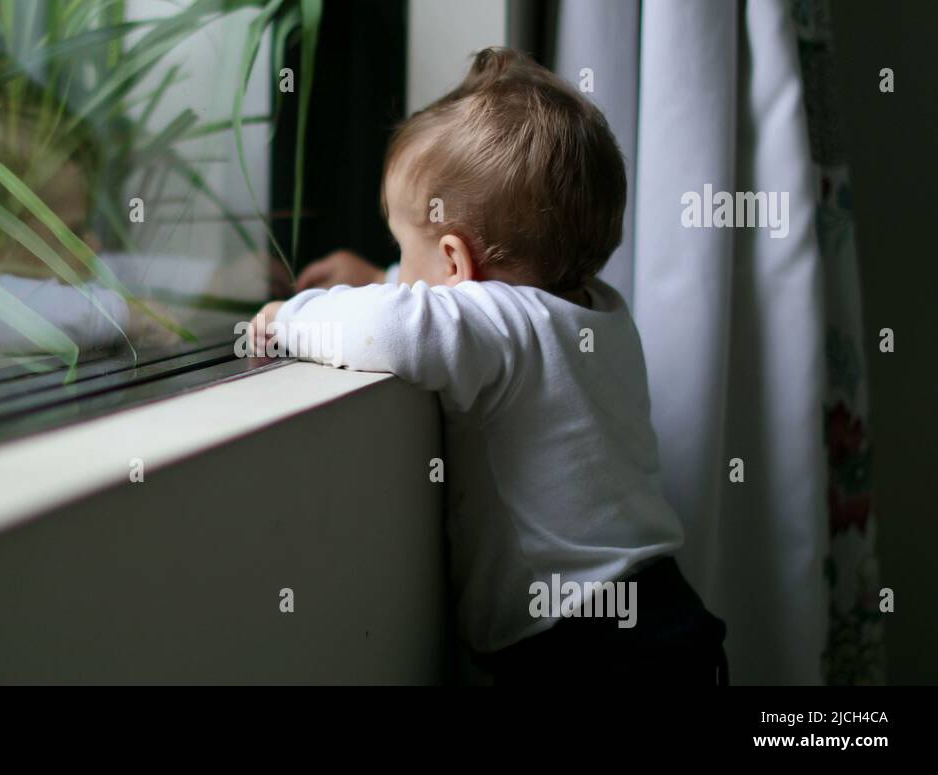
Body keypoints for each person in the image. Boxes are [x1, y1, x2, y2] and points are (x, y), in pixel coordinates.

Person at [252, 48, 728, 685]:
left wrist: (289, 317)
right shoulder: (599, 313)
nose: (401, 270)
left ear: (453, 262)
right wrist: (386, 276)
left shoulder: (496, 326)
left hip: (581, 651)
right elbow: (459, 304)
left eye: (402, 248)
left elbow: (396, 327)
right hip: (664, 618)